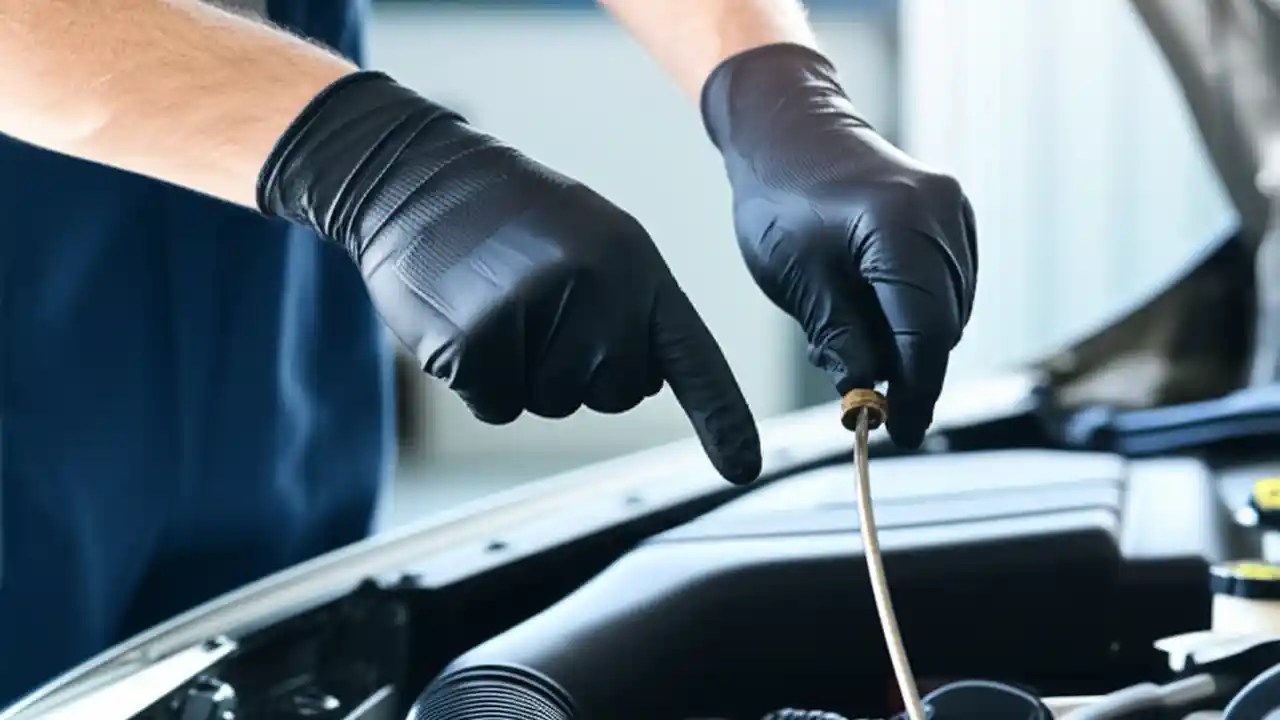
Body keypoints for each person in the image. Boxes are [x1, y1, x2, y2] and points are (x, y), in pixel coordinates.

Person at [0, 0, 975, 706]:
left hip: (267, 263)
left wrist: (769, 83)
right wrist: (372, 163)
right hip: (49, 246)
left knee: (279, 668)